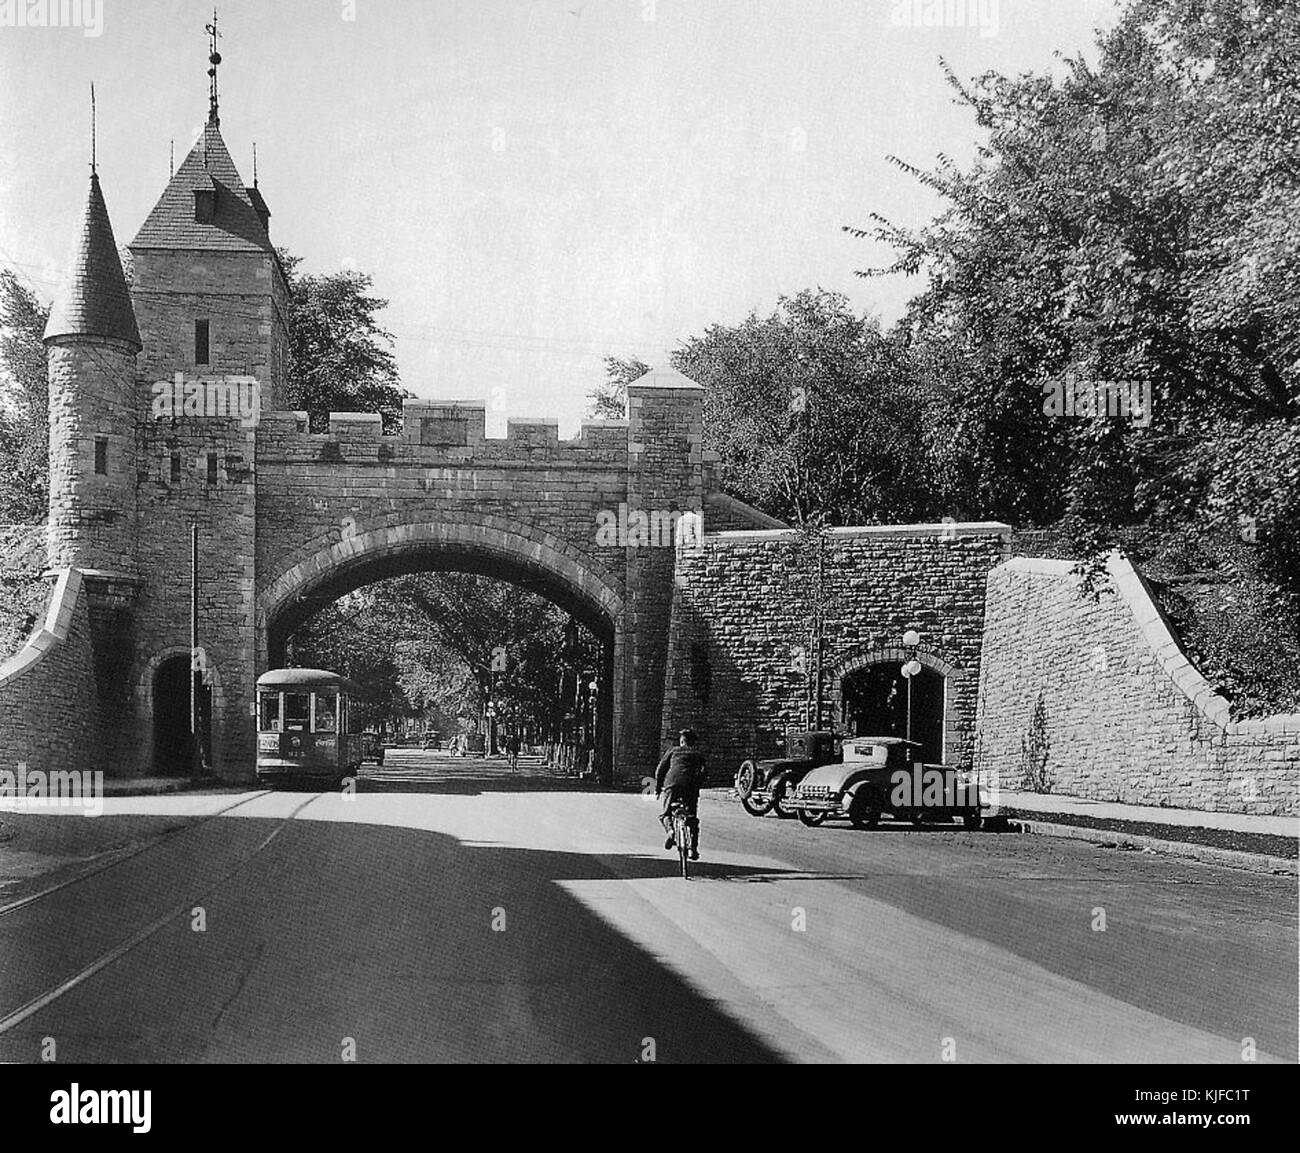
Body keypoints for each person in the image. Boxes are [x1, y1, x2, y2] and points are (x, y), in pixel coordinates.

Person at [654, 728, 706, 860]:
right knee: (692, 817)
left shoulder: (673, 751)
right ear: (693, 742)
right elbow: (704, 772)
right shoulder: (697, 754)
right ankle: (692, 849)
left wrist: (658, 788)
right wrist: (697, 785)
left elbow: (660, 770)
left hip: (672, 784)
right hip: (690, 786)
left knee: (665, 814)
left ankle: (671, 831)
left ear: (681, 741)